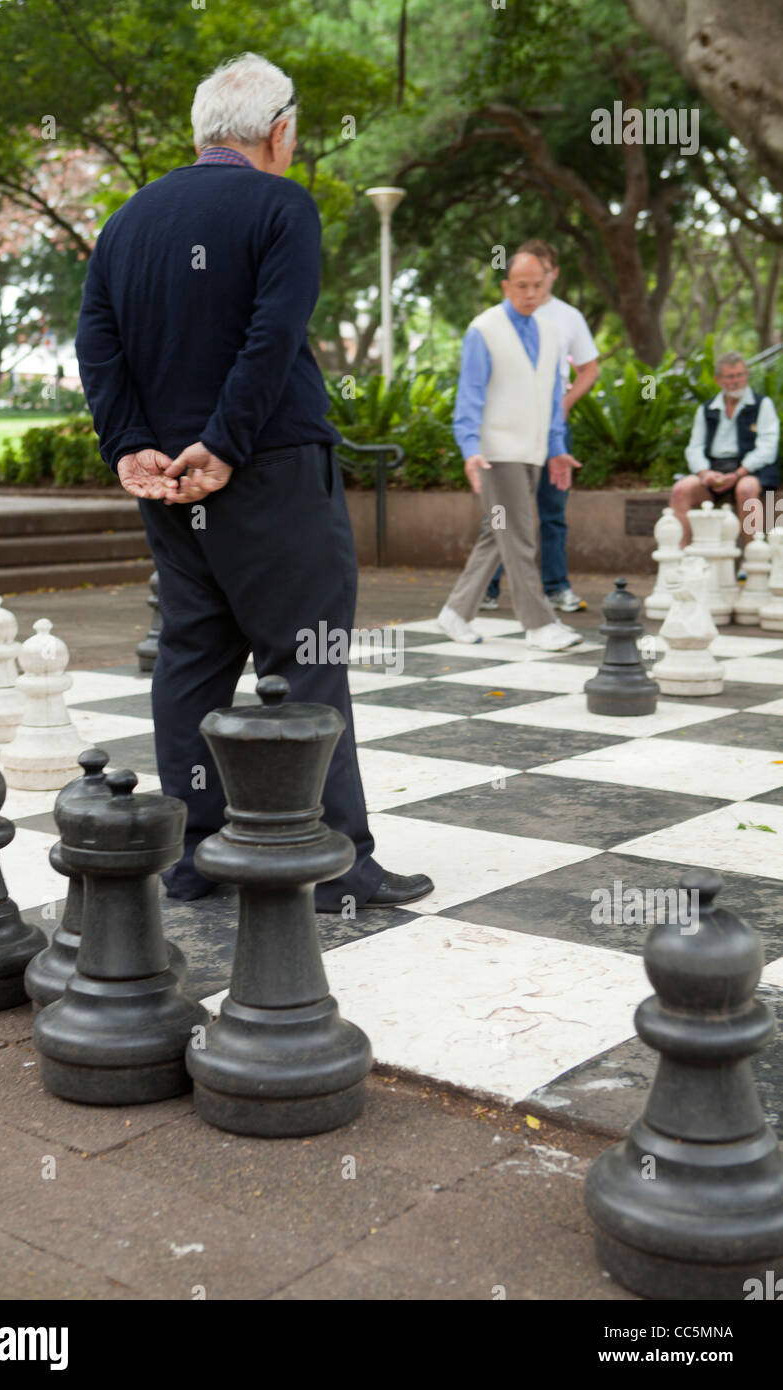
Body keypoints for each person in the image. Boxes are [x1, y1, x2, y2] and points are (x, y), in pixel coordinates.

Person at [75, 52, 433, 913]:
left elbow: (96, 340)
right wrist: (226, 445)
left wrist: (131, 446)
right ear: (279, 132)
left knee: (191, 661)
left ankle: (195, 856)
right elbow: (272, 338)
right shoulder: (281, 203)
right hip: (268, 470)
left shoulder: (127, 221)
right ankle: (334, 861)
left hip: (168, 485)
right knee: (307, 658)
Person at [437, 251, 583, 651]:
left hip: (532, 454)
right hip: (496, 455)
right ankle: (538, 624)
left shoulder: (551, 333)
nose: (531, 293)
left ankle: (455, 611)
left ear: (548, 283)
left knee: (496, 532)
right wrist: (469, 450)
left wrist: (555, 448)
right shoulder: (483, 330)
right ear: (506, 286)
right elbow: (469, 397)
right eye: (522, 285)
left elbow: (554, 397)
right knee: (517, 532)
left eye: (538, 285)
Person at [481, 237, 598, 613]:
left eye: (542, 274)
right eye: (525, 277)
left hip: (552, 430)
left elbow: (588, 369)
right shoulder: (497, 320)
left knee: (552, 511)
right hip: (508, 430)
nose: (534, 283)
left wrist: (561, 407)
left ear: (553, 274)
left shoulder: (568, 317)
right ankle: (488, 586)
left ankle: (555, 587)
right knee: (500, 510)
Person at [673, 350, 780, 545]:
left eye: (740, 375)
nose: (736, 381)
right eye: (730, 376)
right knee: (681, 489)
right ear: (718, 379)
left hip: (749, 470)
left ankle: (754, 555)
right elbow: (695, 447)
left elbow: (768, 447)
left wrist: (739, 473)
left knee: (746, 489)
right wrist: (705, 474)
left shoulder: (762, 404)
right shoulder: (706, 410)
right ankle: (682, 557)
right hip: (714, 470)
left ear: (746, 375)